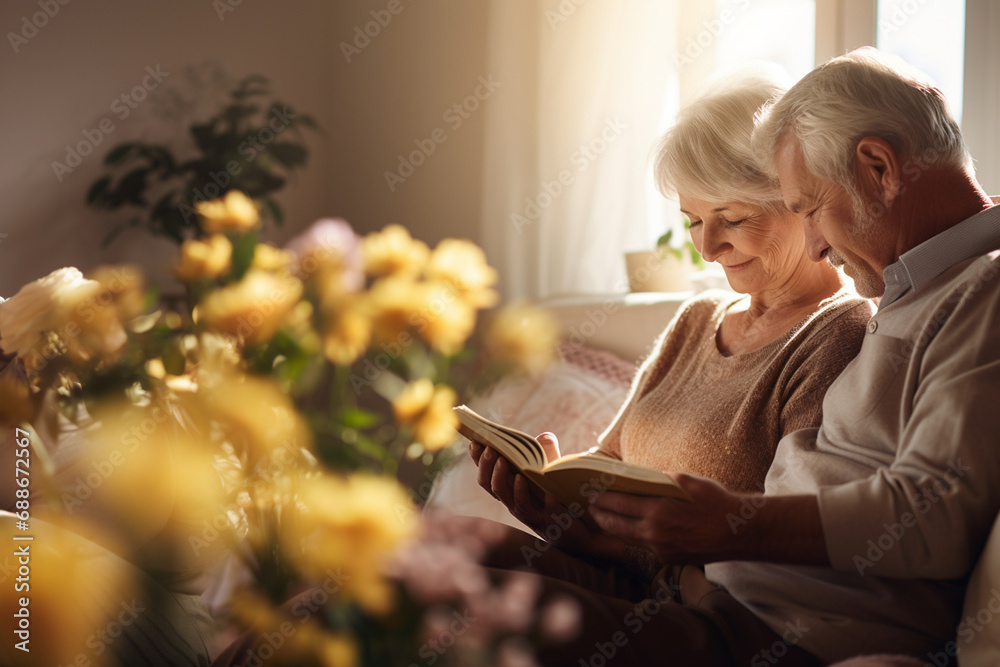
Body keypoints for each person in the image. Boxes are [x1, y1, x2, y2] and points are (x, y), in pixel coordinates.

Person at [562, 47, 1000, 666]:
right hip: (727, 602)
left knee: (456, 601)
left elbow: (936, 512)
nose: (815, 245)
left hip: (784, 636)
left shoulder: (984, 290)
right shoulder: (910, 292)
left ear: (879, 169)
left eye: (812, 210)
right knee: (447, 569)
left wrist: (734, 525)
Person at [470, 71, 873, 588]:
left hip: (692, 608)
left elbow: (780, 546)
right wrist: (548, 488)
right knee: (444, 544)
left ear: (799, 203)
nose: (707, 249)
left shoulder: (839, 332)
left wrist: (599, 546)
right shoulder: (698, 317)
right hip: (611, 571)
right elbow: (610, 457)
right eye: (693, 221)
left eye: (732, 218)